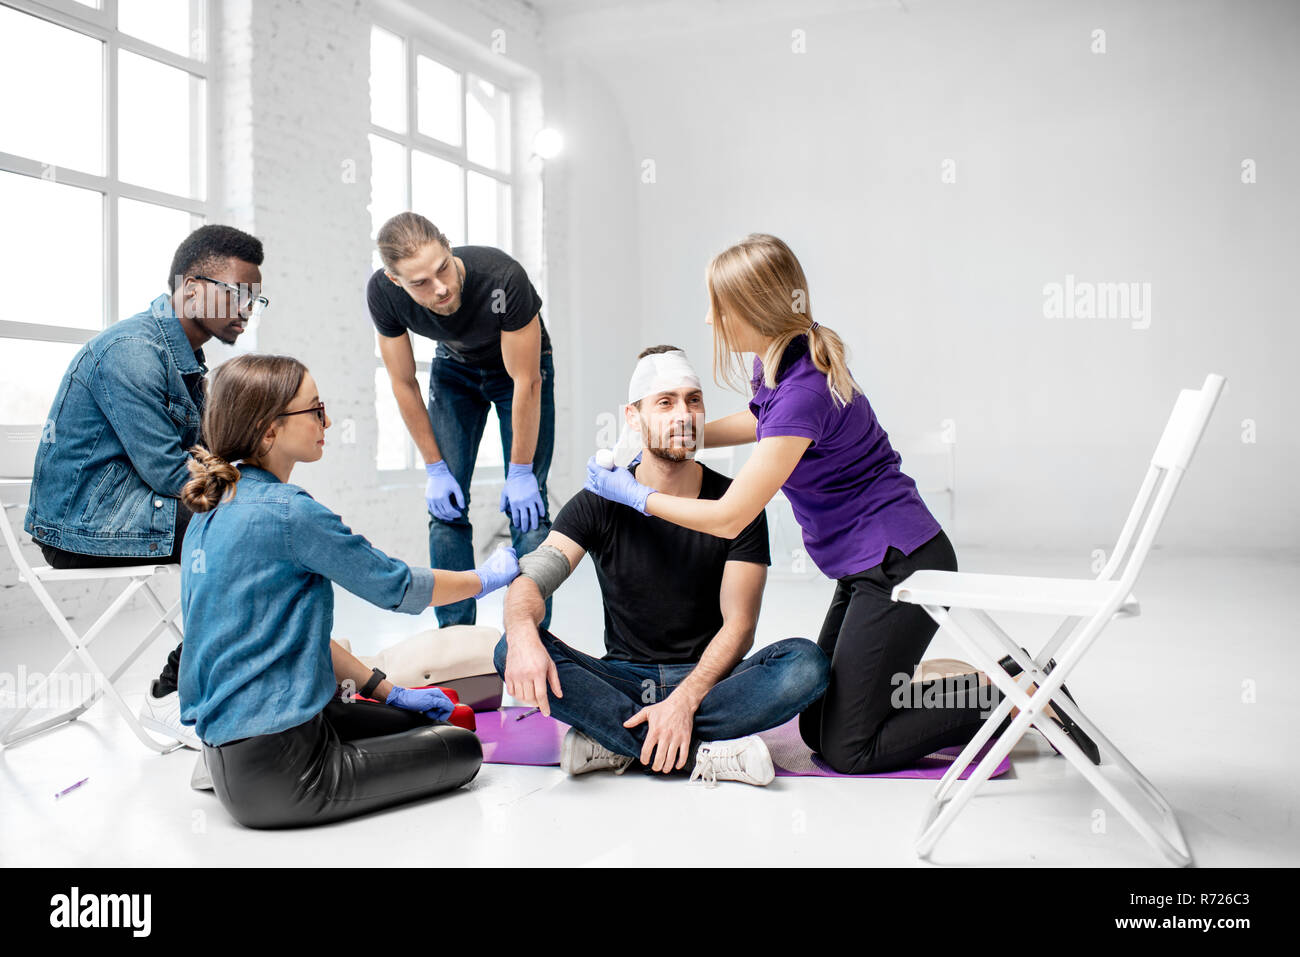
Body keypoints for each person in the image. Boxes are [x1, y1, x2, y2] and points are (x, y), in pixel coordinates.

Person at [582, 234, 1099, 774]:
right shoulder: (781, 360)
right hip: (867, 566)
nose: (710, 323)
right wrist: (685, 435)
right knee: (816, 726)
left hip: (899, 564)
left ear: (750, 311)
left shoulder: (802, 388)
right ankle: (982, 688)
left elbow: (730, 515)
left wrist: (637, 497)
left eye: (718, 309)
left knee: (850, 749)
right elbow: (765, 421)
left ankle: (1011, 694)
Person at [177, 353, 516, 828]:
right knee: (461, 747)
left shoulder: (210, 510)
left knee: (425, 721)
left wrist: (391, 692)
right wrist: (485, 579)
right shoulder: (289, 513)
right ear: (269, 430)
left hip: (243, 748)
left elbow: (297, 636)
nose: (328, 421)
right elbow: (395, 587)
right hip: (287, 775)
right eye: (315, 410)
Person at [495, 345, 829, 787]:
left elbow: (740, 627)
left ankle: (617, 738)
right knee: (509, 646)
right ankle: (704, 753)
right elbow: (534, 578)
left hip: (712, 678)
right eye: (665, 402)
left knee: (805, 664)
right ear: (633, 417)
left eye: (693, 400)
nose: (683, 415)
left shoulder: (736, 501)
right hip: (623, 677)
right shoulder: (599, 500)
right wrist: (520, 632)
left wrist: (685, 699)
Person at [24, 224, 267, 749]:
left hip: (139, 506)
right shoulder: (133, 351)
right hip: (86, 524)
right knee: (250, 529)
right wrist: (248, 492)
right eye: (239, 294)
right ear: (192, 288)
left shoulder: (185, 360)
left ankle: (222, 678)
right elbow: (170, 471)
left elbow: (209, 456)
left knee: (260, 515)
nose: (248, 309)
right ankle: (172, 690)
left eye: (256, 297)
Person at [370, 212, 555, 630]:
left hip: (519, 374)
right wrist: (435, 468)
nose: (441, 288)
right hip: (453, 369)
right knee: (446, 509)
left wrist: (522, 471)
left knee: (528, 510)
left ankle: (532, 640)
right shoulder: (383, 294)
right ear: (395, 281)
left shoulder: (502, 278)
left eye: (443, 269)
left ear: (449, 248)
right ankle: (456, 644)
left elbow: (525, 381)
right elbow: (403, 383)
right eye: (420, 283)